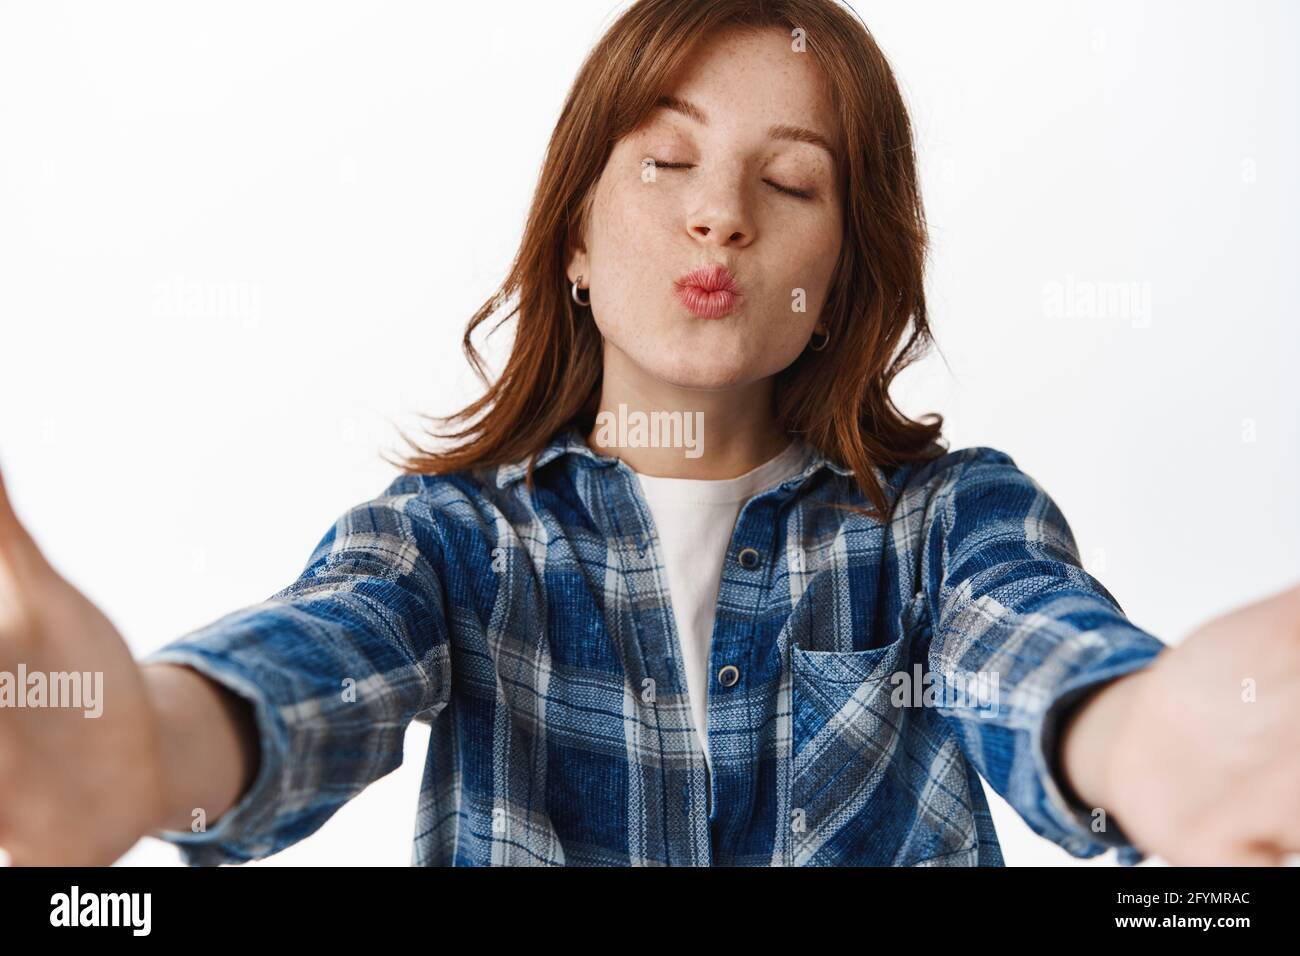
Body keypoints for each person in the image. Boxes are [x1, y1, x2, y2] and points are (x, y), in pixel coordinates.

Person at [2, 0, 1298, 867]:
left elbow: (1038, 651)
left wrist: (1144, 738)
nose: (721, 216)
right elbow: (305, 671)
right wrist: (139, 745)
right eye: (665, 164)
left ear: (846, 275)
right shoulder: (449, 541)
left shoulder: (947, 524)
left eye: (790, 182)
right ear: (574, 233)